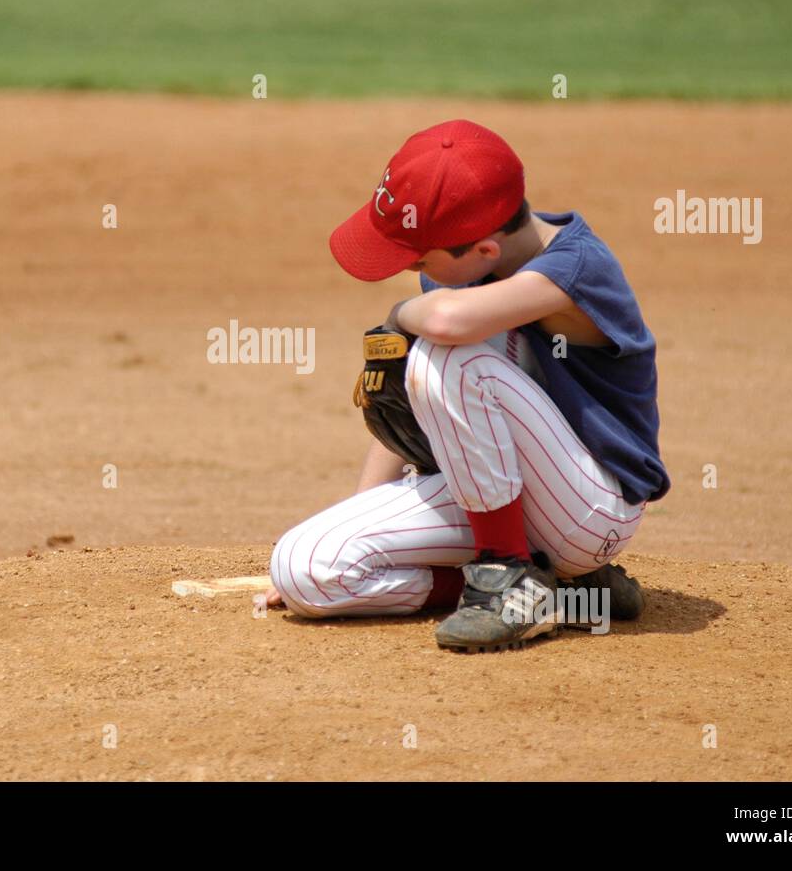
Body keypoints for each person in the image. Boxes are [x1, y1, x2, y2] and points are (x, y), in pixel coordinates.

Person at [266, 119, 670, 652]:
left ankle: (509, 575)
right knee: (304, 568)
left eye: (419, 256)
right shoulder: (457, 281)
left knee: (444, 357)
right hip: (498, 494)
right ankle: (565, 593)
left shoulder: (578, 266)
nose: (410, 266)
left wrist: (398, 314)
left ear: (483, 251)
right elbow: (410, 402)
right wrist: (362, 514)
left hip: (591, 509)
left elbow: (447, 329)